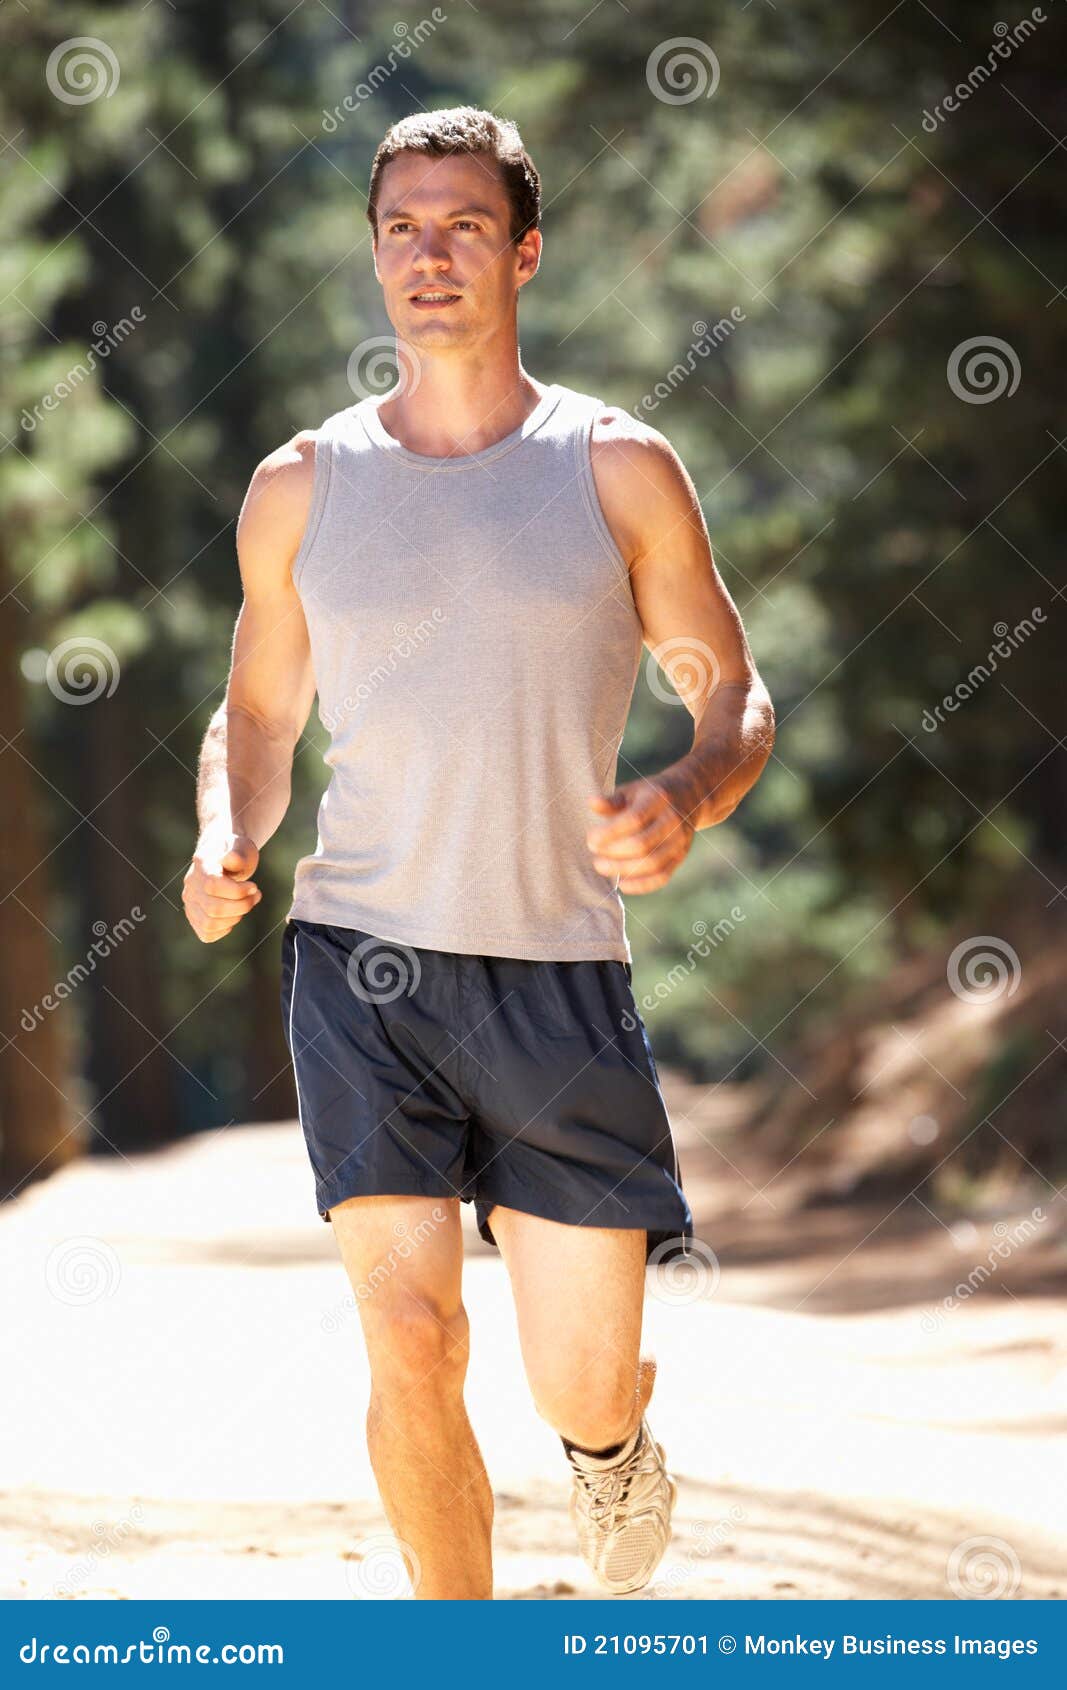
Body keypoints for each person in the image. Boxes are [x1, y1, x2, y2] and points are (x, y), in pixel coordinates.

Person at [183, 106, 774, 1601]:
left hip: (559, 973)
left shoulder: (615, 464)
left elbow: (735, 691)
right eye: (399, 227)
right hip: (361, 968)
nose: (427, 255)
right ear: (373, 255)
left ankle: (611, 1438)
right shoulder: (302, 484)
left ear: (523, 250)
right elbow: (258, 704)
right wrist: (226, 829)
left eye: (460, 225)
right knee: (414, 1336)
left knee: (576, 1382)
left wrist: (692, 791)